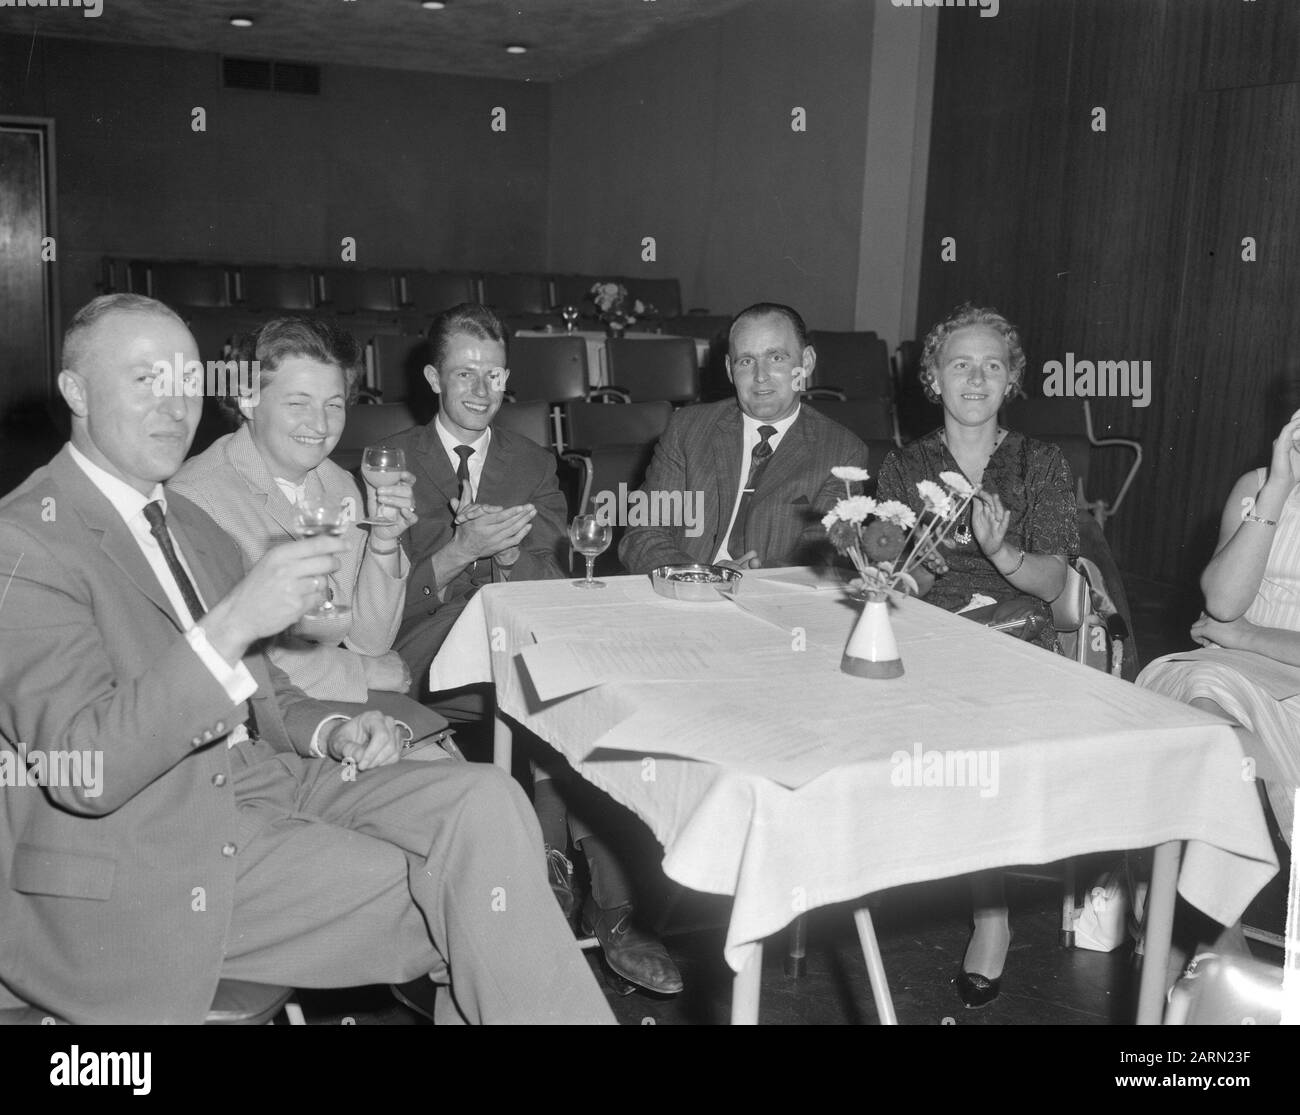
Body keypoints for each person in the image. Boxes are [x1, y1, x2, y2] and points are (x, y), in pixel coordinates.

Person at [0, 294, 613, 1025]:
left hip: (264, 781)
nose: (174, 405)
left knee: (489, 803)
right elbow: (88, 767)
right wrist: (232, 623)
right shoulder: (26, 541)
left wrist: (331, 731)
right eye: (145, 380)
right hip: (152, 852)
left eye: (187, 380)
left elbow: (268, 691)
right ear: (75, 391)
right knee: (481, 895)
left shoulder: (185, 526)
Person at [390, 303, 683, 995]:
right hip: (427, 656)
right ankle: (574, 908)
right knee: (544, 716)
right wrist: (461, 548)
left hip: (516, 638)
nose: (479, 389)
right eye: (464, 373)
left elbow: (553, 570)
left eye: (493, 375)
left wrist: (512, 547)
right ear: (434, 376)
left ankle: (596, 910)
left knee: (585, 713)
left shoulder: (529, 458)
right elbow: (378, 607)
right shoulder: (389, 461)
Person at [877, 303, 1079, 1008]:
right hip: (933, 634)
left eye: (993, 364)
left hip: (1018, 635)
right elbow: (898, 577)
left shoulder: (1040, 462)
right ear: (933, 377)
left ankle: (990, 913)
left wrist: (999, 549)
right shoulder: (906, 466)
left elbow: (1053, 585)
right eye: (960, 363)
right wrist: (914, 568)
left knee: (984, 727)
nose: (976, 376)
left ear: (1011, 380)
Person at [170, 316, 452, 751]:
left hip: (340, 704)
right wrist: (359, 673)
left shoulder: (338, 482)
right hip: (252, 725)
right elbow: (238, 651)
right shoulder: (196, 500)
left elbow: (369, 640)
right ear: (247, 400)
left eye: (334, 405)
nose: (320, 426)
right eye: (298, 403)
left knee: (463, 783)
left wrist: (382, 542)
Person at [1139, 407, 1300, 848]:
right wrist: (1278, 489)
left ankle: (1178, 894)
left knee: (1224, 746)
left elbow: (1231, 626)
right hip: (1236, 673)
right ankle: (1200, 902)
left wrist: (1246, 637)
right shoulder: (1259, 485)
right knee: (1204, 690)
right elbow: (1225, 604)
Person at [619, 302, 872, 574]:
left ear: (806, 363)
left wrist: (748, 580)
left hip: (775, 602)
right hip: (686, 590)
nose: (760, 376)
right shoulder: (688, 429)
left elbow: (822, 555)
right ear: (729, 369)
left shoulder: (842, 452)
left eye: (776, 358)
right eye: (746, 361)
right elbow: (642, 533)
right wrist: (702, 576)